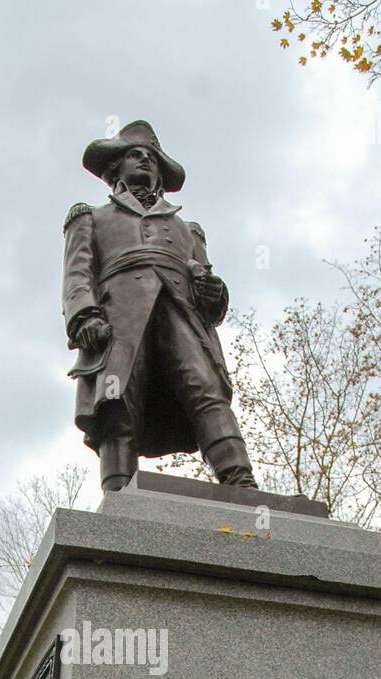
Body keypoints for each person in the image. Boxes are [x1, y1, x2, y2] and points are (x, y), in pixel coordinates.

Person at [63, 120, 260, 493]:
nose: (144, 162)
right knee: (116, 400)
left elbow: (209, 297)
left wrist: (214, 293)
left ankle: (239, 479)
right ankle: (118, 493)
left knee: (205, 389)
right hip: (120, 318)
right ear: (115, 167)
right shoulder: (90, 217)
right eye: (134, 155)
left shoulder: (189, 229)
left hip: (180, 312)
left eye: (151, 158)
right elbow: (77, 275)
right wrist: (84, 315)